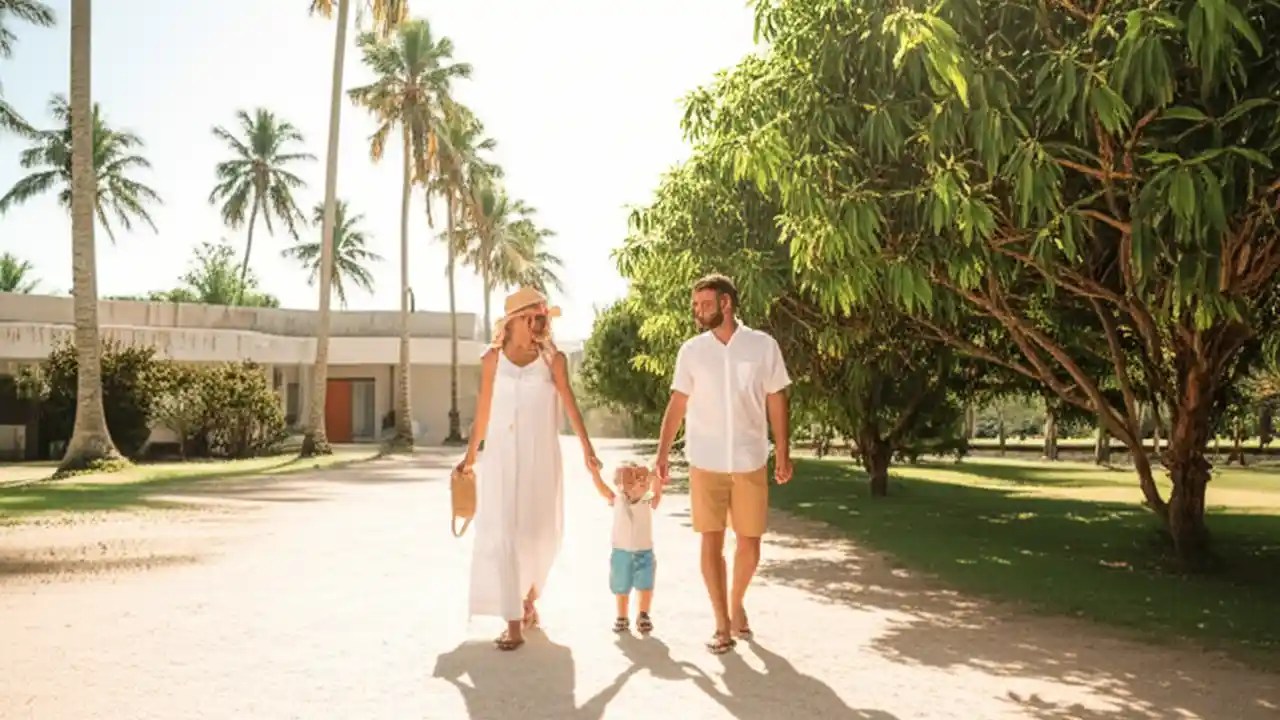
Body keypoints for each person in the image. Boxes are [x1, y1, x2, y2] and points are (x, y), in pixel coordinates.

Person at [457, 286, 608, 651]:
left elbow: (570, 406)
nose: (541, 324)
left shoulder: (553, 359)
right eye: (535, 318)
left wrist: (588, 451)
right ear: (515, 321)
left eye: (543, 318)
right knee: (505, 532)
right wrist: (470, 456)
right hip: (501, 458)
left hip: (541, 458)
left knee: (542, 535)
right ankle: (513, 623)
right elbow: (483, 412)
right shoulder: (492, 359)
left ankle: (528, 599)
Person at [654, 273, 793, 654]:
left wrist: (782, 450)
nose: (698, 311)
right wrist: (662, 453)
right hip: (706, 460)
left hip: (749, 458)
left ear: (726, 303)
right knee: (711, 541)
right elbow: (678, 403)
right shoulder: (691, 352)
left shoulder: (762, 346)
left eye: (705, 304)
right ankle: (721, 624)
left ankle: (735, 604)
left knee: (750, 544)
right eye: (695, 305)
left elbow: (776, 397)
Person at [608, 462, 659, 635]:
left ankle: (643, 615)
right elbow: (602, 489)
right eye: (622, 480)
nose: (628, 484)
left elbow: (655, 494)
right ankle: (622, 617)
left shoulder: (645, 498)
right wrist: (594, 474)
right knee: (621, 587)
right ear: (617, 484)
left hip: (644, 550)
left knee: (645, 585)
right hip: (621, 551)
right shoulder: (617, 499)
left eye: (632, 479)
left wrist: (655, 478)